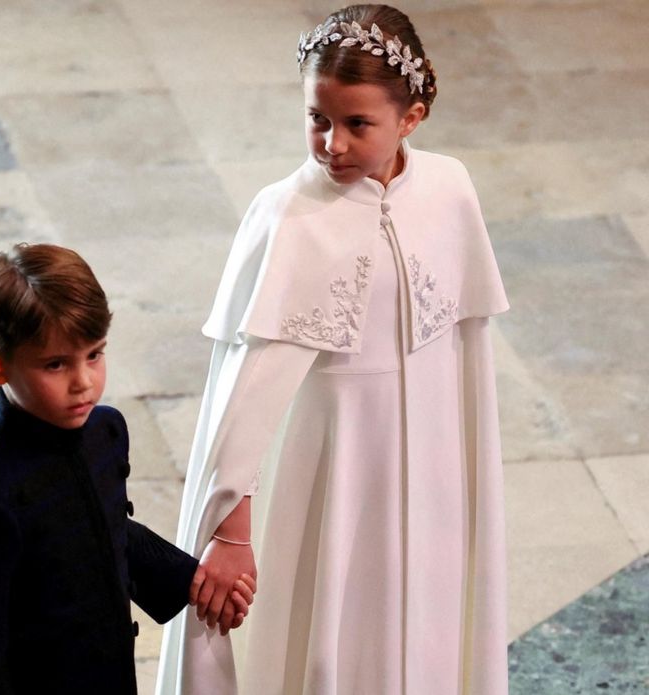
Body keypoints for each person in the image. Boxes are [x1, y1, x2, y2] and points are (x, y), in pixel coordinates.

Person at [157, 4, 510, 694]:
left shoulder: (449, 190)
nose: (332, 144)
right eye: (317, 118)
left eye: (357, 124)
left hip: (434, 471)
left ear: (411, 118)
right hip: (336, 472)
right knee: (336, 635)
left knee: (431, 628)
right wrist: (230, 531)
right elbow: (244, 398)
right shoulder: (288, 215)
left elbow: (467, 355)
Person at [0, 243, 255, 694]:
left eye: (94, 354)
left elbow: (107, 527)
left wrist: (192, 579)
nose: (83, 382)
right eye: (55, 364)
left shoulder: (104, 432)